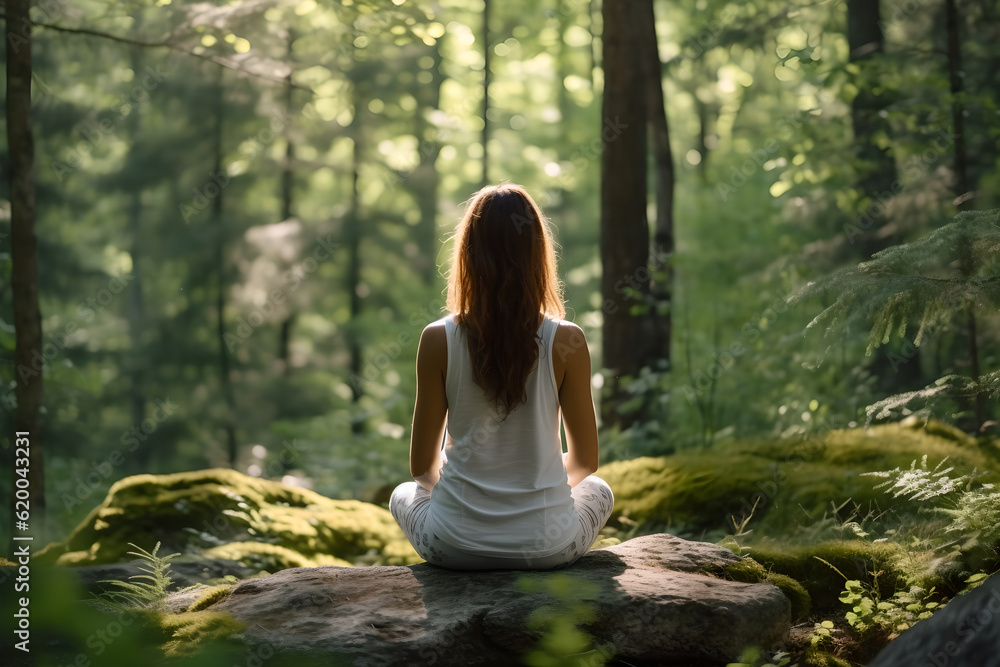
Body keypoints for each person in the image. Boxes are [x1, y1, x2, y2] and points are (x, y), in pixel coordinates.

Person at [389, 183, 614, 570]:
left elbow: (422, 469)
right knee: (600, 490)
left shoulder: (438, 339)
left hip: (454, 548)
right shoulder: (568, 340)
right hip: (548, 549)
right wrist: (530, 484)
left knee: (402, 493)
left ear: (468, 255)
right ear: (537, 256)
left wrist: (476, 500)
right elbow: (586, 461)